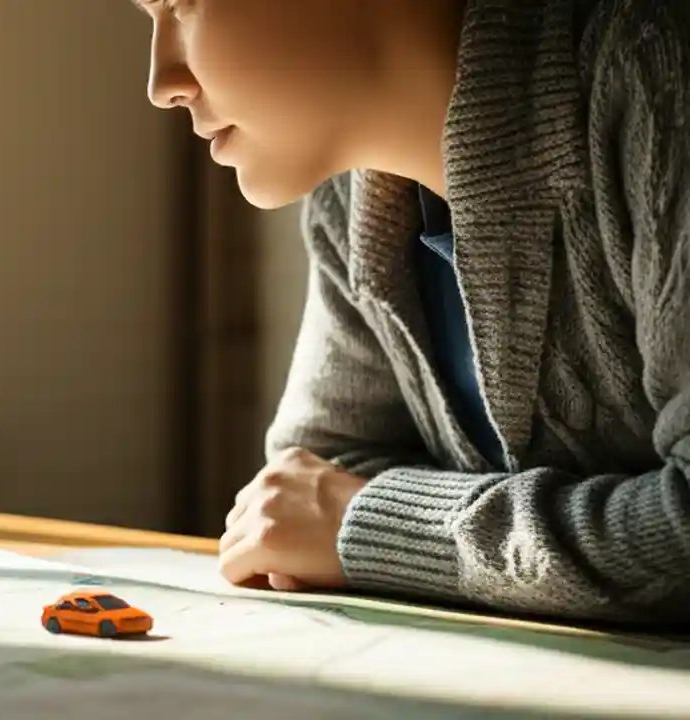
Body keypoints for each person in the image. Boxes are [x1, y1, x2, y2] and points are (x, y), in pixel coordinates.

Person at [134, 0, 690, 623]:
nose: (162, 84)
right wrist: (360, 522)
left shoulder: (656, 68)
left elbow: (340, 515)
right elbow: (310, 491)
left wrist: (378, 529)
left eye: (180, 5)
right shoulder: (349, 201)